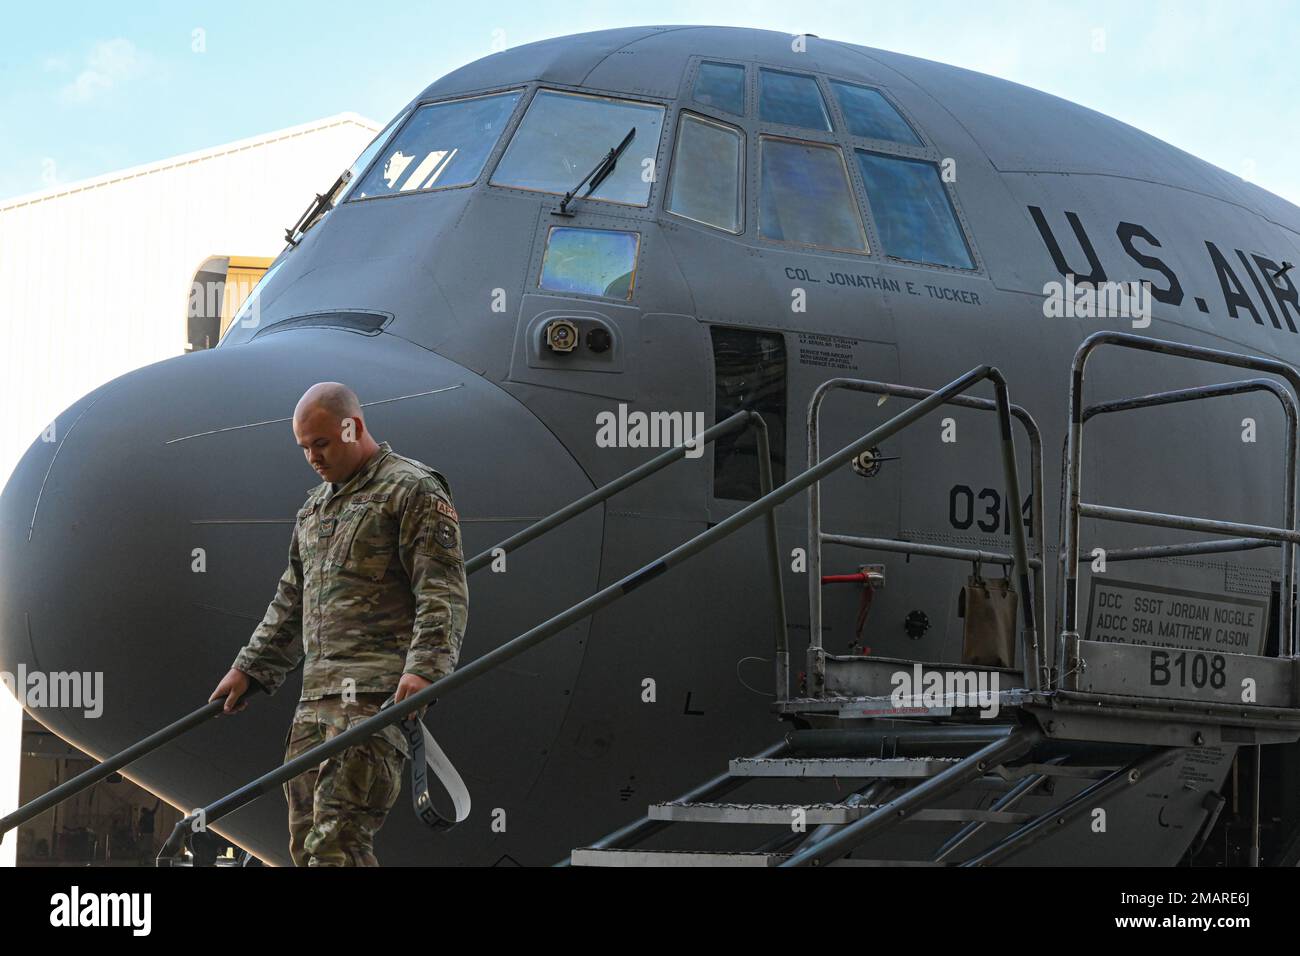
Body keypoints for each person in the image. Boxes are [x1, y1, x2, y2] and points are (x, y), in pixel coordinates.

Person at [209, 382, 469, 866]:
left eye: (322, 443)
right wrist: (250, 669)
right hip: (314, 704)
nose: (313, 457)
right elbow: (291, 600)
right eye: (305, 447)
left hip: (374, 698)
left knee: (337, 845)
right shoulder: (313, 508)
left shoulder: (410, 489)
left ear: (354, 426)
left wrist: (426, 669)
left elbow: (441, 588)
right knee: (305, 847)